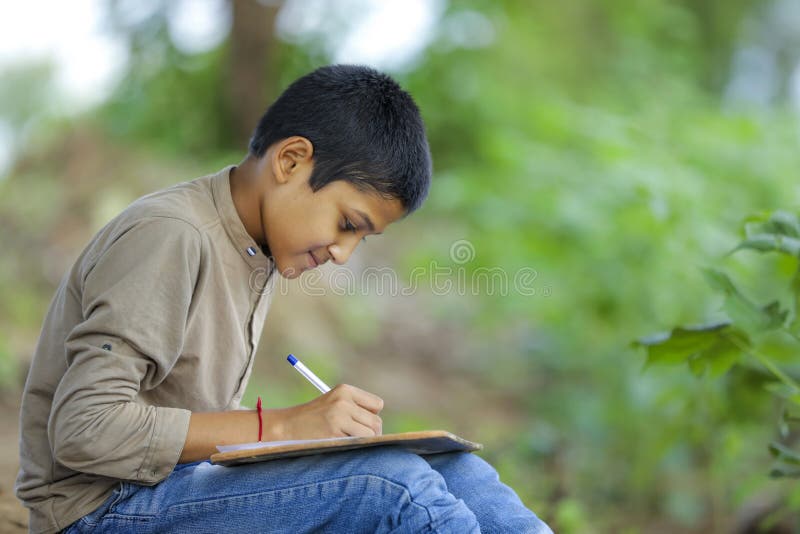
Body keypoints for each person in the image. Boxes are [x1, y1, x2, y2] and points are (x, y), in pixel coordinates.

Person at [15, 64, 553, 534]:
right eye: (347, 224)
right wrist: (284, 425)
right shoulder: (173, 235)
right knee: (393, 489)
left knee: (458, 472)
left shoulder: (257, 248)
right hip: (100, 513)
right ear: (291, 161)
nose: (343, 253)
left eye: (360, 239)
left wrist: (306, 443)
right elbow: (84, 429)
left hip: (167, 490)